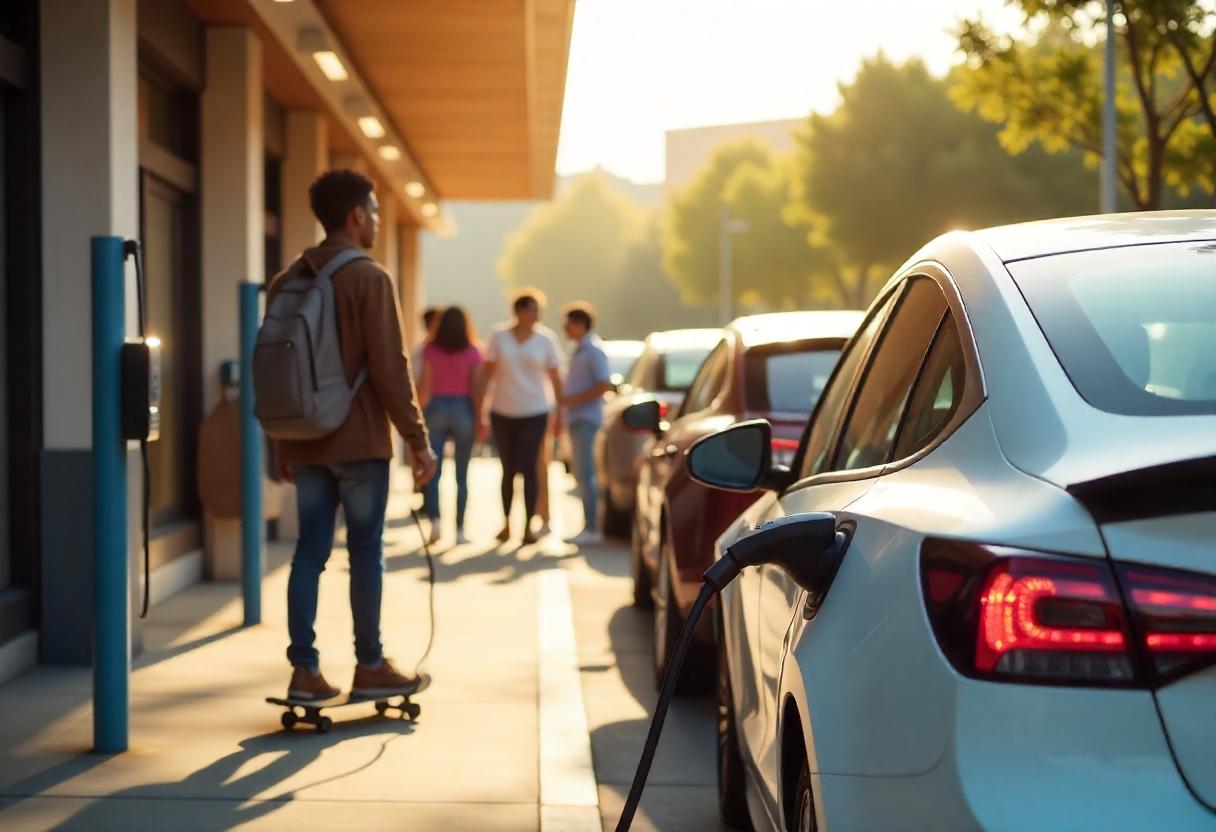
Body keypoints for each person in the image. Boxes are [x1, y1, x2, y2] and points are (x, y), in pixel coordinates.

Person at [271, 169, 438, 702]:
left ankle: (304, 671)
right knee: (365, 552)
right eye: (374, 211)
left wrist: (283, 441)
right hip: (359, 441)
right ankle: (370, 665)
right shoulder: (370, 278)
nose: (378, 221)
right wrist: (417, 439)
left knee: (309, 552)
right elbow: (391, 369)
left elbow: (278, 372)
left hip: (304, 441)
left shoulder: (287, 280)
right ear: (356, 216)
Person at [476, 289, 564, 545]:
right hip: (503, 410)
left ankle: (528, 526)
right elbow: (487, 373)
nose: (536, 315)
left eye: (539, 310)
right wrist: (481, 409)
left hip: (535, 411)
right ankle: (506, 522)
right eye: (532, 309)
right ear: (520, 311)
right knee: (508, 469)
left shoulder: (546, 340)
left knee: (529, 467)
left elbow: (555, 378)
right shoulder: (499, 336)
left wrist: (560, 411)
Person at [417, 305, 483, 546]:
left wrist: (418, 417)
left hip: (436, 409)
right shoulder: (473, 351)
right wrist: (480, 417)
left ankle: (434, 520)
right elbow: (477, 388)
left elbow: (424, 386)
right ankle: (459, 529)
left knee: (433, 469)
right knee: (462, 473)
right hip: (463, 409)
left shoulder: (430, 350)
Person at [559, 302, 614, 546]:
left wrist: (572, 399)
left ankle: (592, 527)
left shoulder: (593, 350)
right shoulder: (579, 349)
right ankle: (588, 525)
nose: (565, 328)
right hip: (576, 417)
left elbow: (604, 384)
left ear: (580, 324)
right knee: (582, 473)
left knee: (587, 473)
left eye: (568, 323)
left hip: (586, 417)